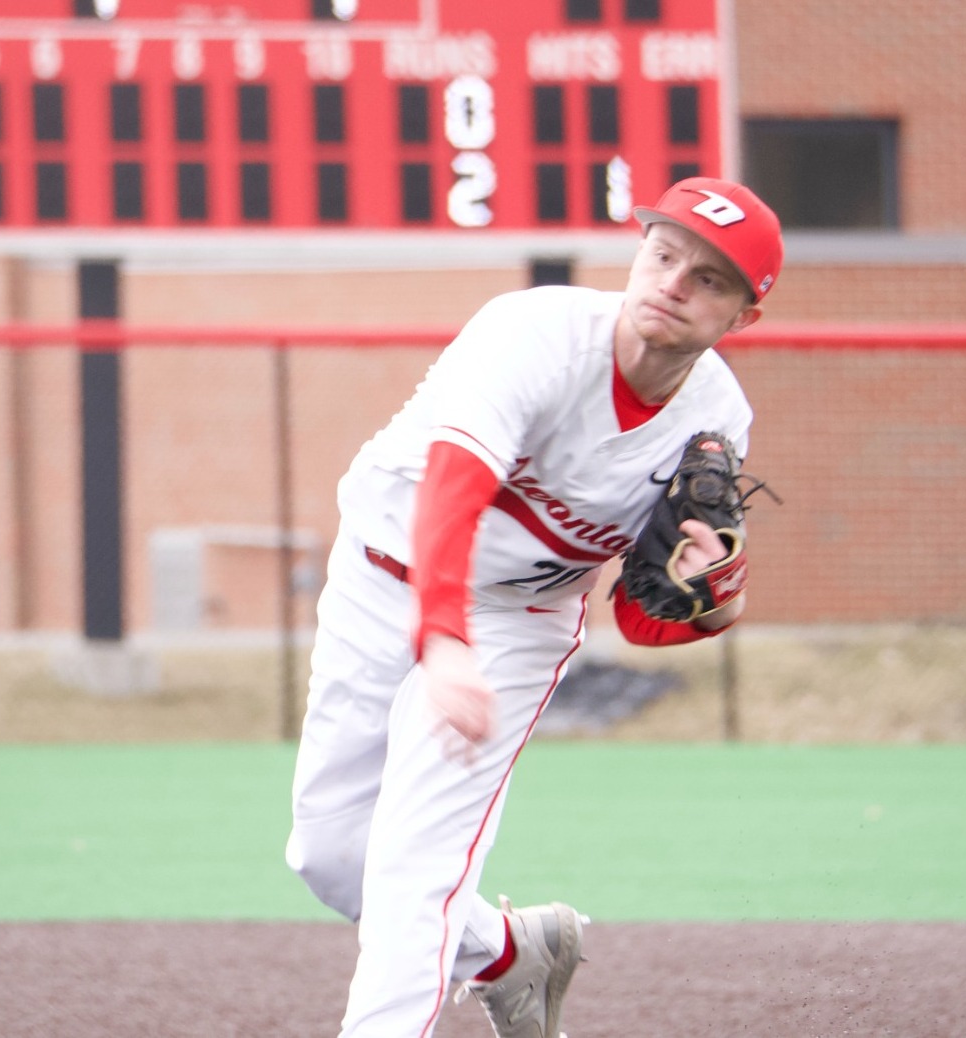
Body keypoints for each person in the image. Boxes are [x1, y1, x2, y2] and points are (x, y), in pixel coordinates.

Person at [285, 177, 783, 1038]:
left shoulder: (714, 420)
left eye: (709, 278)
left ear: (743, 315)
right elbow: (454, 489)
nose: (673, 282)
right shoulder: (534, 334)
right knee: (330, 856)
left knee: (416, 866)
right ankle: (511, 953)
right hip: (385, 572)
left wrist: (716, 598)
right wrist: (441, 639)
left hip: (520, 619)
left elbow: (642, 614)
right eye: (664, 255)